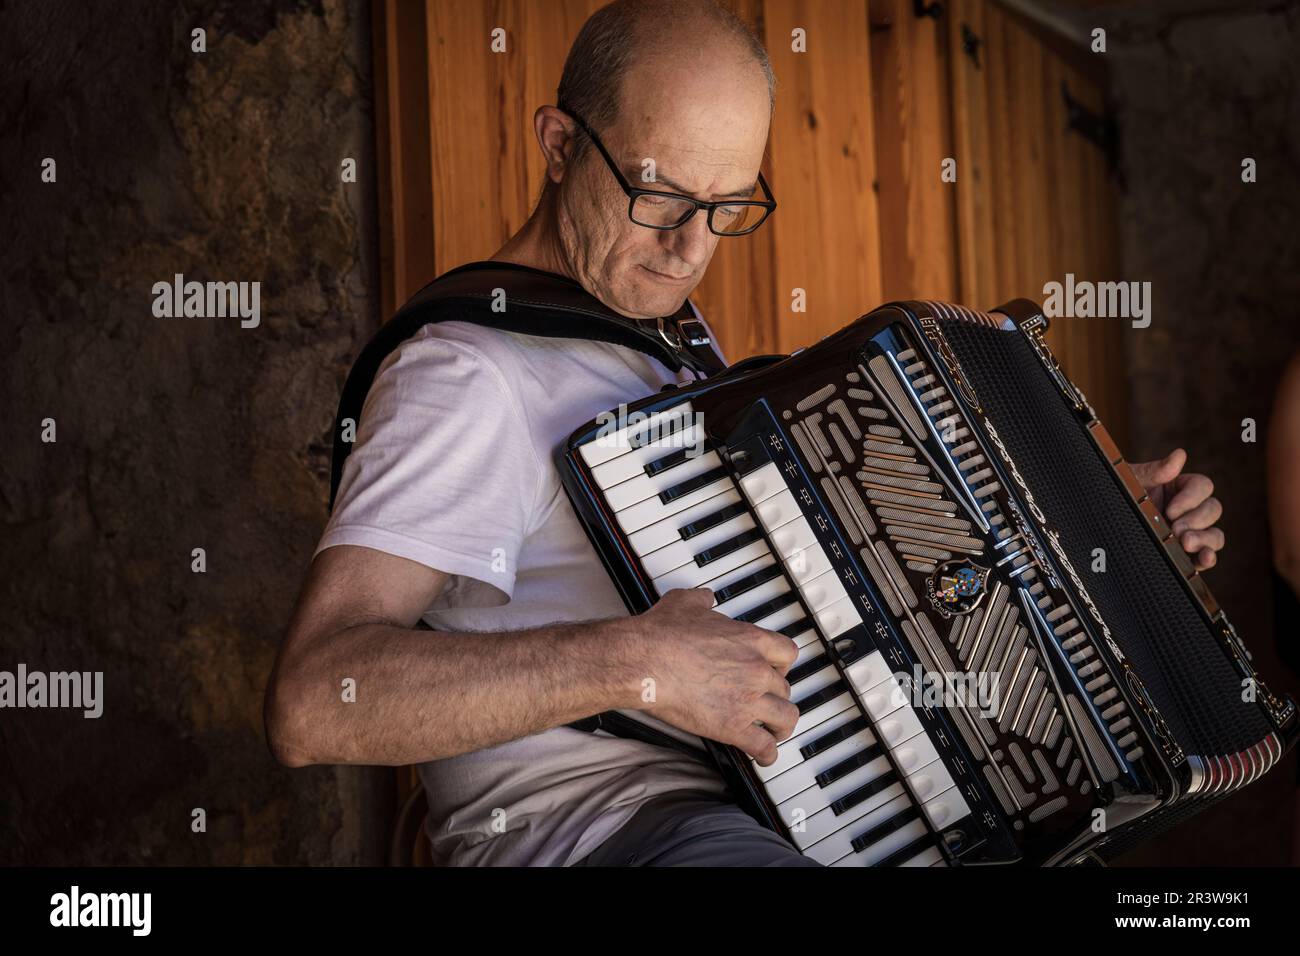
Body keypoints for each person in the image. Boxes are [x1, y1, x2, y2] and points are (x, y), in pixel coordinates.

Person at [264, 0, 1226, 866]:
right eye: (662, 195)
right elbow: (314, 699)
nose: (691, 249)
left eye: (729, 208)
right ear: (558, 143)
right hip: (616, 833)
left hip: (808, 802)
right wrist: (636, 663)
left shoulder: (658, 337)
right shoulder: (468, 374)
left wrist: (1100, 534)